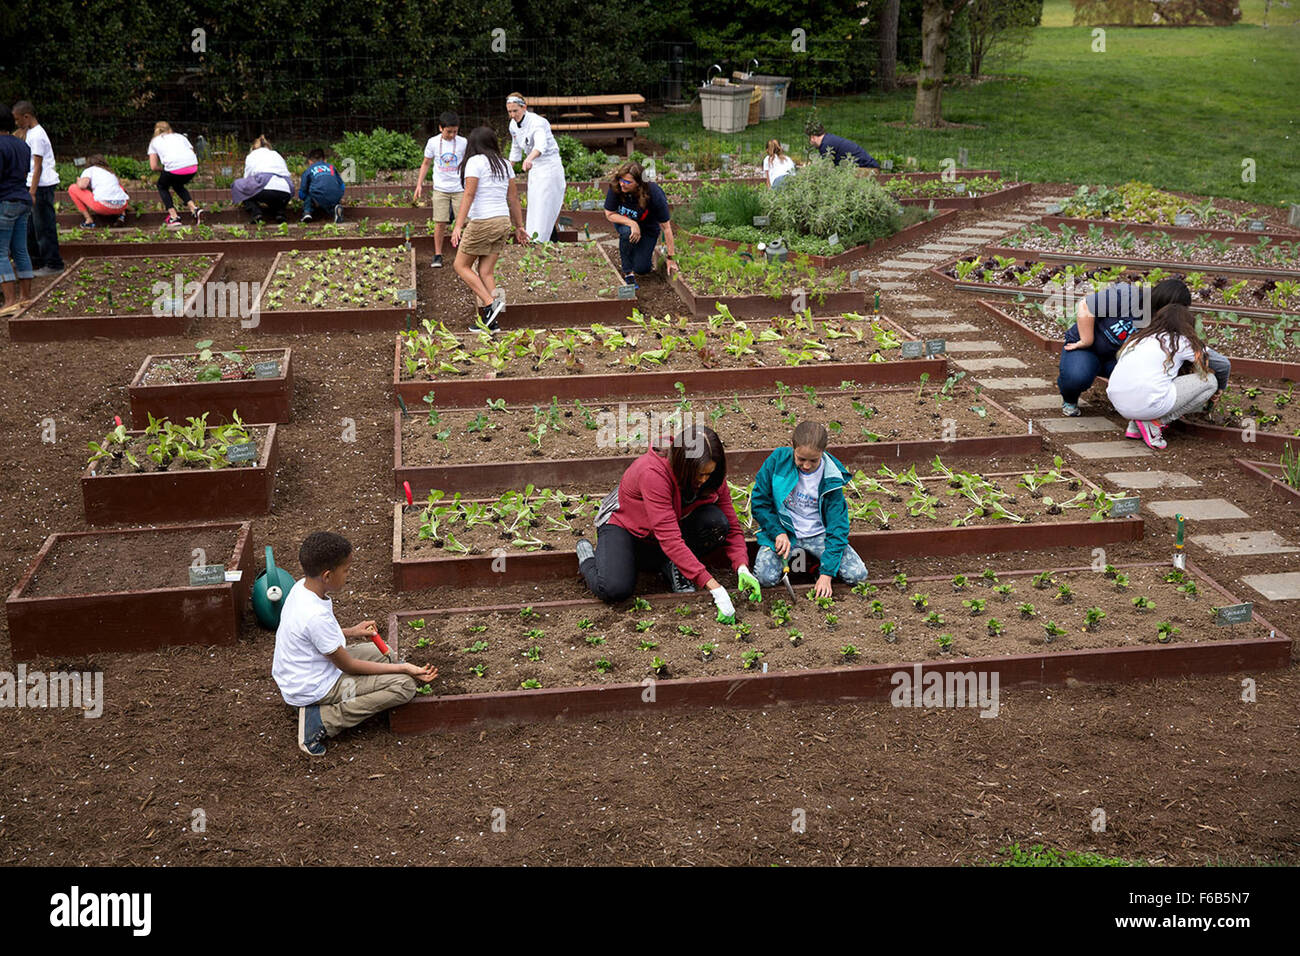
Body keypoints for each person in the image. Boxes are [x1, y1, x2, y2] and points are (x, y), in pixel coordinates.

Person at [272, 531, 436, 757]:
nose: (349, 575)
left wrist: (352, 632)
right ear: (327, 576)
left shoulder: (302, 588)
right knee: (404, 685)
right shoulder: (313, 615)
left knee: (382, 652)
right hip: (311, 686)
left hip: (305, 669)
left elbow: (313, 635)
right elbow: (348, 666)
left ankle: (327, 710)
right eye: (346, 570)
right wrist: (403, 668)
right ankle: (322, 721)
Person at [575, 425, 758, 619]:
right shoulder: (653, 473)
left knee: (715, 523)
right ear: (683, 465)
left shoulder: (713, 477)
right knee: (614, 589)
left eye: (709, 473)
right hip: (626, 528)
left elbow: (732, 526)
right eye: (699, 474)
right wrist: (715, 588)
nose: (703, 480)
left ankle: (672, 564)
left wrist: (742, 567)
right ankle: (588, 558)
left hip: (663, 532)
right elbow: (670, 539)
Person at [1058, 278, 1230, 416]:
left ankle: (1143, 409)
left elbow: (1193, 349)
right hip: (1087, 349)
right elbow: (1085, 306)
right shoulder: (1128, 296)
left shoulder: (1166, 322)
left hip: (1118, 361)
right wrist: (1086, 340)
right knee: (1077, 376)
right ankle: (1070, 399)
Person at [751, 421, 868, 599]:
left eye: (813, 460)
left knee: (857, 575)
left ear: (823, 452)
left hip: (818, 534)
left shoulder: (831, 477)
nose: (806, 465)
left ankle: (815, 565)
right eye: (801, 459)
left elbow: (838, 526)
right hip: (786, 533)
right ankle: (806, 562)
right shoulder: (777, 461)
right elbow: (760, 501)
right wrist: (778, 532)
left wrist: (826, 575)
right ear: (793, 448)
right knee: (765, 577)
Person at [450, 125, 529, 332]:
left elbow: (469, 195)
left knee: (461, 266)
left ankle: (488, 303)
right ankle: (491, 322)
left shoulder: (475, 162)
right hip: (503, 222)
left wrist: (458, 225)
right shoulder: (505, 164)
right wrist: (519, 226)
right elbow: (513, 198)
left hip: (483, 221)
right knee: (486, 271)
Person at [1106, 304, 1217, 450]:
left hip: (1118, 402)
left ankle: (1137, 424)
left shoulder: (1138, 339)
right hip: (1146, 403)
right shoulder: (1180, 341)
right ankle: (1156, 421)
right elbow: (1219, 362)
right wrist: (1221, 385)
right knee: (1210, 382)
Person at [602, 161, 678, 286]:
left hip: (648, 229)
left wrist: (670, 258)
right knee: (627, 232)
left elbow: (667, 228)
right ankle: (628, 272)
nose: (622, 184)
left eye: (628, 182)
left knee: (642, 269)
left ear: (639, 183)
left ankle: (637, 254)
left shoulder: (654, 194)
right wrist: (632, 223)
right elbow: (609, 213)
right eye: (621, 179)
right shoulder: (616, 186)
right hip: (624, 222)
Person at [505, 92, 567, 243]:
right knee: (535, 205)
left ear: (524, 108)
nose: (512, 115)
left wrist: (529, 158)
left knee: (544, 204)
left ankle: (541, 241)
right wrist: (508, 166)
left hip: (549, 166)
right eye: (509, 112)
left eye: (515, 111)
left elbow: (541, 145)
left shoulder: (538, 122)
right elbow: (516, 147)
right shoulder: (513, 125)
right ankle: (542, 239)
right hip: (535, 168)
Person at [12, 101, 63, 276]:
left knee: (44, 226)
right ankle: (37, 260)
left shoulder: (37, 135)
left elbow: (38, 166)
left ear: (27, 117)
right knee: (33, 226)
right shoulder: (32, 133)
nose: (16, 123)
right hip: (35, 185)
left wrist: (32, 192)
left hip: (42, 186)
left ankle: (53, 263)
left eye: (18, 119)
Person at [414, 112, 467, 268]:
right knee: (440, 221)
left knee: (463, 221)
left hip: (459, 188)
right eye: (448, 131)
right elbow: (426, 163)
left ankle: (465, 254)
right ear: (440, 128)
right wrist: (419, 184)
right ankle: (438, 254)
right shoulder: (432, 142)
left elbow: (470, 163)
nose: (452, 135)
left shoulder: (463, 142)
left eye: (455, 132)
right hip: (440, 188)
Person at [0, 103, 34, 317]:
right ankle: (25, 297)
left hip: (4, 201)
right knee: (20, 249)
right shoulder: (22, 145)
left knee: (0, 253)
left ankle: (9, 301)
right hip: (22, 200)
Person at [146, 120, 203, 228]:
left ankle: (174, 217)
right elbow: (191, 151)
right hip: (193, 167)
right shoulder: (180, 137)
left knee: (162, 186)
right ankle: (194, 209)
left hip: (174, 169)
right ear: (170, 129)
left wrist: (163, 169)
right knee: (177, 184)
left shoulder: (154, 141)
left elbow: (153, 166)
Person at [232, 135, 294, 224]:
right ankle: (280, 212)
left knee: (239, 186)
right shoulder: (276, 154)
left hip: (263, 188)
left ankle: (256, 212)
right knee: (277, 194)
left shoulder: (251, 155)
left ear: (253, 147)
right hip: (285, 190)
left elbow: (247, 178)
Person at [68, 155, 129, 227]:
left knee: (73, 188)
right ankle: (122, 215)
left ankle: (89, 220)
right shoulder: (110, 172)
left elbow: (82, 185)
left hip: (102, 206)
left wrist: (79, 181)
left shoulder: (89, 170)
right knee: (118, 187)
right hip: (121, 206)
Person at [805, 121, 879, 169]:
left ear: (813, 137)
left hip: (867, 169)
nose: (810, 142)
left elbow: (825, 168)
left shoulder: (825, 145)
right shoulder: (828, 139)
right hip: (868, 165)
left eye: (809, 139)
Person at [298, 148, 344, 223]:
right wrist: (339, 195)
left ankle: (307, 212)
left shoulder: (309, 170)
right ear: (325, 160)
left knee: (309, 194)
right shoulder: (332, 167)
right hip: (335, 195)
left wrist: (303, 198)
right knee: (331, 203)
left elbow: (302, 191)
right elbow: (342, 186)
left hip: (318, 195)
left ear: (310, 162)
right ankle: (335, 210)